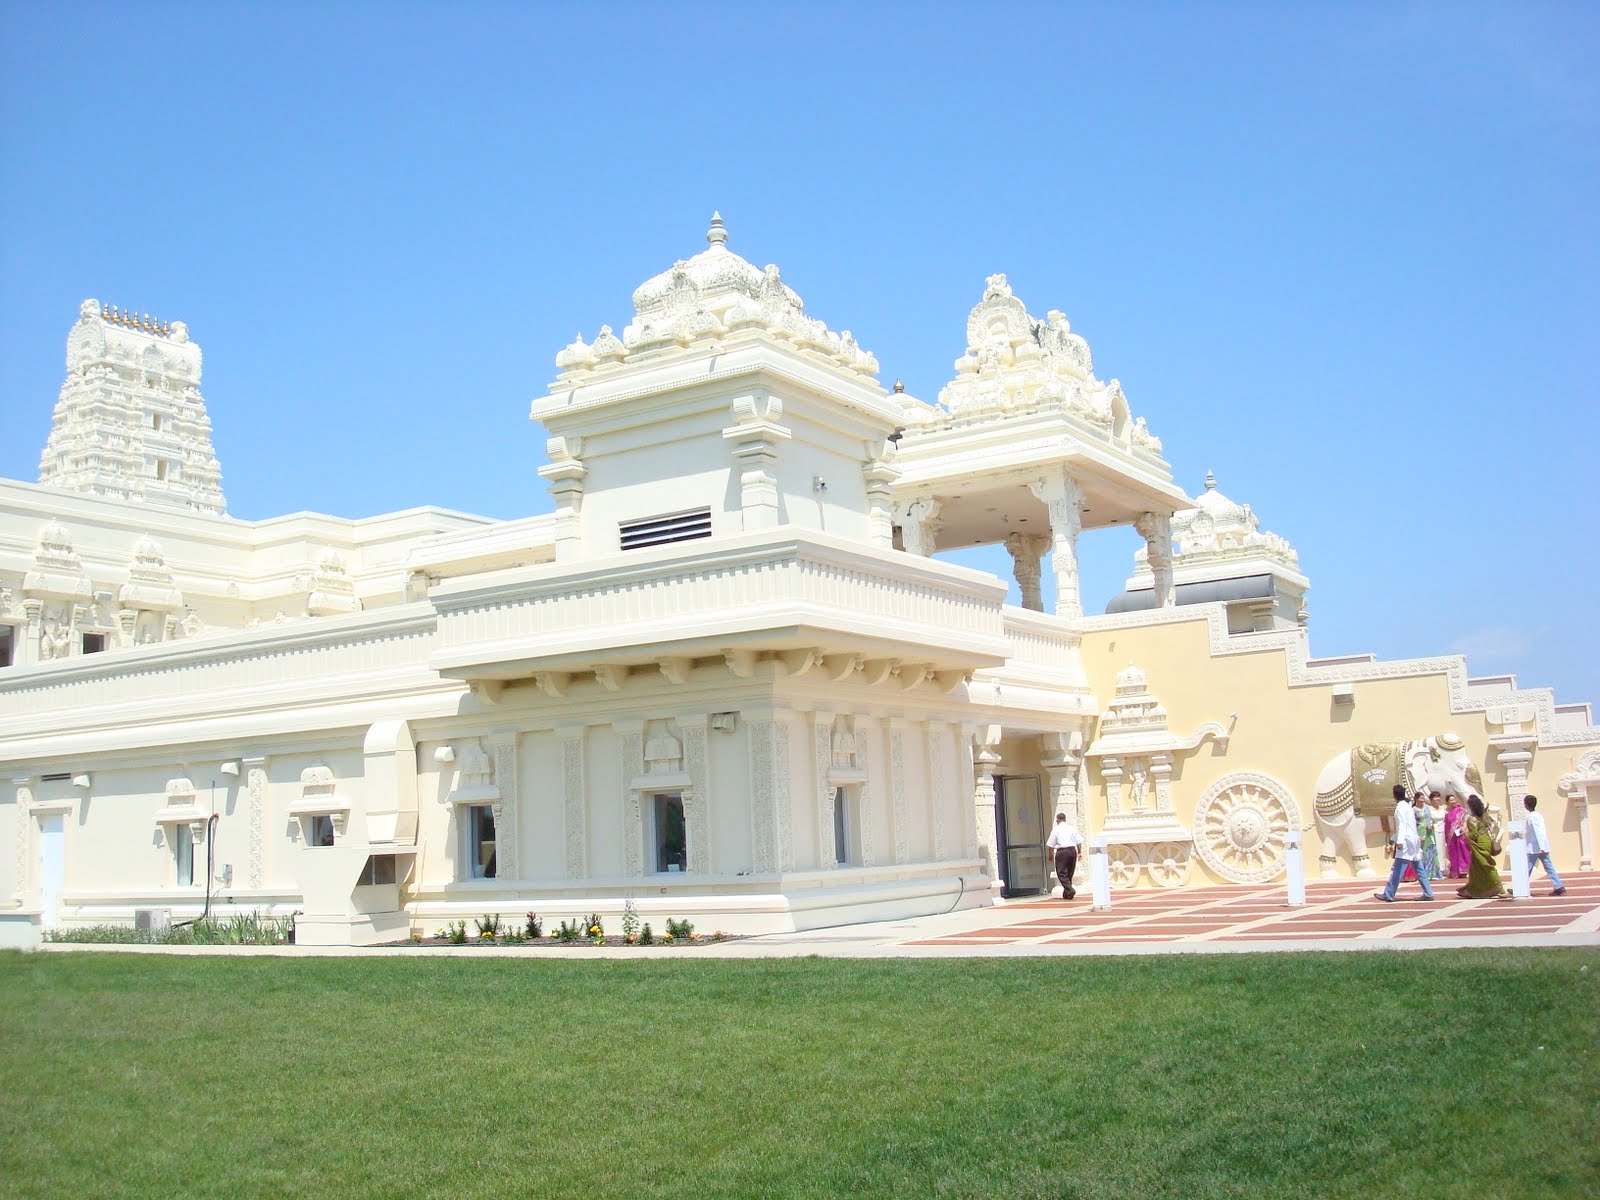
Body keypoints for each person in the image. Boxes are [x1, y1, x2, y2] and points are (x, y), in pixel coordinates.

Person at [1376, 785, 1434, 902]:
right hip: (1414, 840)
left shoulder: (1400, 808)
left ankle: (1389, 893)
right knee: (1419, 867)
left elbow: (1402, 826)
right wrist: (1394, 838)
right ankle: (1428, 892)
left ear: (1394, 795)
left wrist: (1400, 841)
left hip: (1406, 841)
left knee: (1398, 868)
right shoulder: (1408, 807)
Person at [1457, 795, 1507, 899]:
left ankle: (1499, 889)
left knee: (1486, 866)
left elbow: (1474, 835)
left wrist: (1465, 833)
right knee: (1476, 867)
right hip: (1487, 841)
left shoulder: (1472, 819)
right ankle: (1474, 889)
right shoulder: (1484, 815)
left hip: (1479, 844)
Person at [1522, 795, 1566, 896]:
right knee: (1548, 866)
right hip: (1541, 846)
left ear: (1526, 805)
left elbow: (1538, 832)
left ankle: (1520, 887)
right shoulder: (1538, 815)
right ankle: (1558, 886)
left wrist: (1541, 846)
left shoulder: (1532, 817)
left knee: (1527, 867)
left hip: (1535, 847)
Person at [1045, 812, 1082, 900]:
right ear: (1065, 819)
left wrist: (1050, 854)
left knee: (1061, 872)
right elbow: (1079, 841)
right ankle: (1067, 894)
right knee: (1070, 872)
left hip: (1062, 851)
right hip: (1072, 850)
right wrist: (1080, 852)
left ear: (1057, 819)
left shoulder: (1056, 829)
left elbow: (1051, 844)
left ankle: (1070, 890)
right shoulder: (1072, 828)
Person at [1415, 790, 1443, 884]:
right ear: (1416, 799)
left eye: (1423, 798)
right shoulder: (1413, 810)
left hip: (1429, 831)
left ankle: (1434, 873)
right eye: (1421, 798)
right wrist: (1418, 835)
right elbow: (1413, 823)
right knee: (1423, 852)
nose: (1422, 800)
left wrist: (1431, 824)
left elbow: (1430, 818)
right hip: (1420, 831)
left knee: (1431, 851)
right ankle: (1424, 873)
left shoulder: (1427, 808)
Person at [1444, 793, 1471, 878]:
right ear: (1448, 802)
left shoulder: (1461, 810)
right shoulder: (1447, 813)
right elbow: (1447, 825)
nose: (1453, 801)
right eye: (1451, 800)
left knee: (1463, 851)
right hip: (1451, 837)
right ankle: (1455, 871)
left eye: (1454, 799)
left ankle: (1464, 870)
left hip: (1460, 834)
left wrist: (1464, 829)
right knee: (1453, 853)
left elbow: (1464, 821)